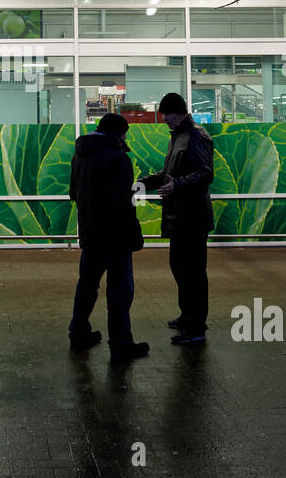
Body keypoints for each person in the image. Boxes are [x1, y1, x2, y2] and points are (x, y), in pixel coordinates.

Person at [69, 112, 147, 361]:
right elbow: (123, 202)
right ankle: (121, 344)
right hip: (115, 236)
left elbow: (74, 193)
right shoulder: (117, 156)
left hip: (90, 232)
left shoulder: (80, 155)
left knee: (87, 285)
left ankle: (78, 333)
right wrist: (134, 234)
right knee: (119, 290)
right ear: (119, 133)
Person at [138, 93, 215, 346]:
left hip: (193, 217)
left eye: (169, 114)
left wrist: (178, 186)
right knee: (180, 268)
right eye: (163, 114)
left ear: (181, 112)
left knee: (192, 272)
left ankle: (196, 326)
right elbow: (168, 172)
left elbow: (205, 173)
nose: (165, 119)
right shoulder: (178, 137)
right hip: (180, 216)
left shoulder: (195, 136)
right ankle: (187, 315)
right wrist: (144, 183)